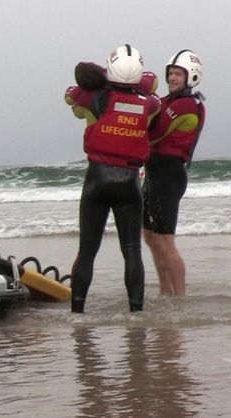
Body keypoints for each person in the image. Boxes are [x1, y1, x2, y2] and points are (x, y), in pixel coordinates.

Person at [65, 45, 161, 313]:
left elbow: (71, 100)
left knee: (87, 250)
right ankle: (136, 312)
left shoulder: (94, 99)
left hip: (98, 180)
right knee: (132, 251)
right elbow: (152, 89)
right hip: (130, 184)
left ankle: (78, 312)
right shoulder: (150, 103)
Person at [142, 49, 206, 296]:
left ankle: (179, 297)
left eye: (178, 74)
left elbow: (154, 133)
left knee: (165, 240)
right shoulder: (168, 101)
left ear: (191, 77)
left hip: (169, 174)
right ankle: (164, 290)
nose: (172, 78)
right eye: (170, 73)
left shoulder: (188, 105)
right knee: (150, 237)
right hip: (154, 171)